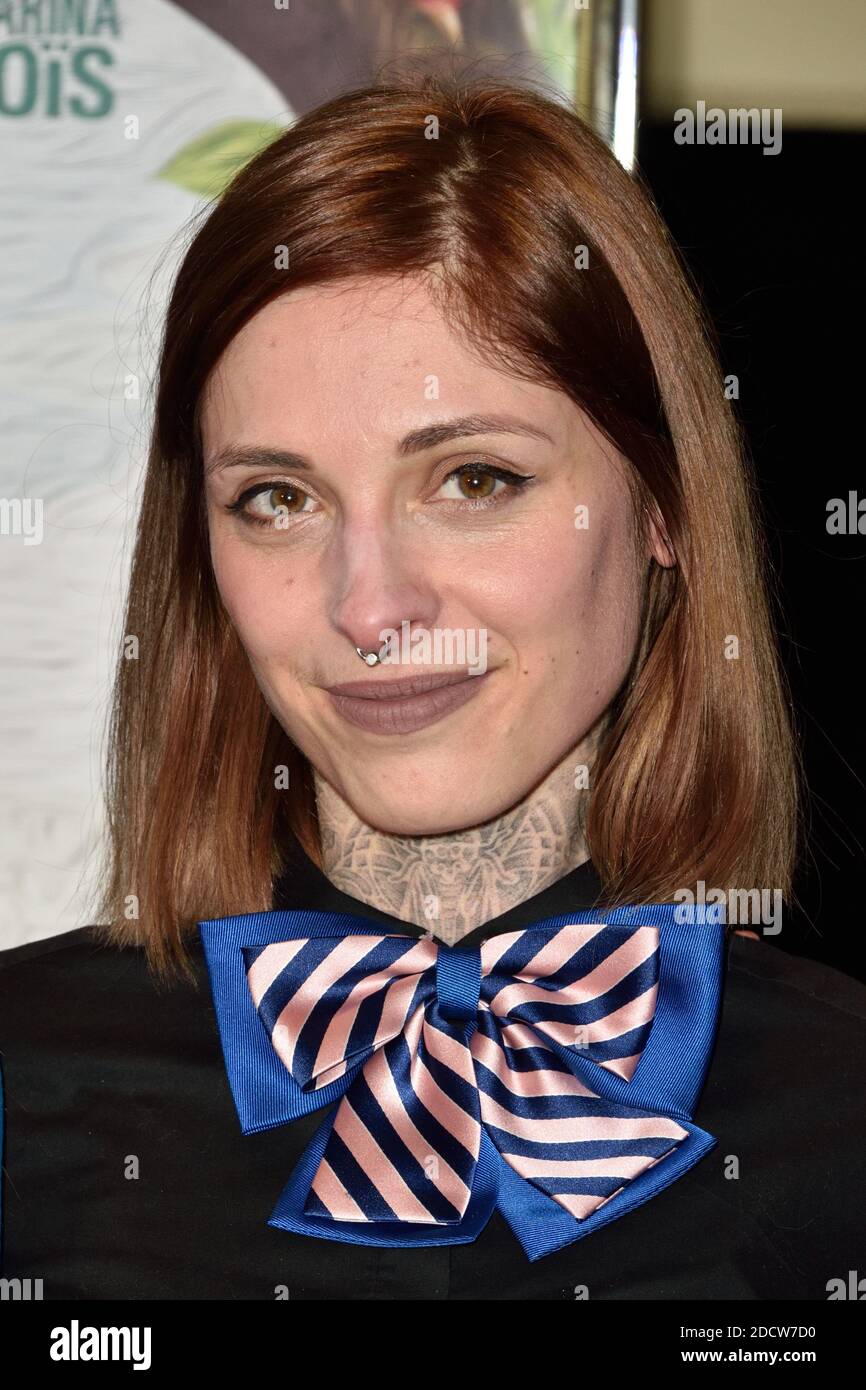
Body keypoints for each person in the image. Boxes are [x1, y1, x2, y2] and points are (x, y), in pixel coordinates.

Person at [1, 75, 864, 1302]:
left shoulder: (841, 1122)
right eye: (278, 499)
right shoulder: (23, 1092)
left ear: (663, 500)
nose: (370, 606)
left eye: (471, 480)